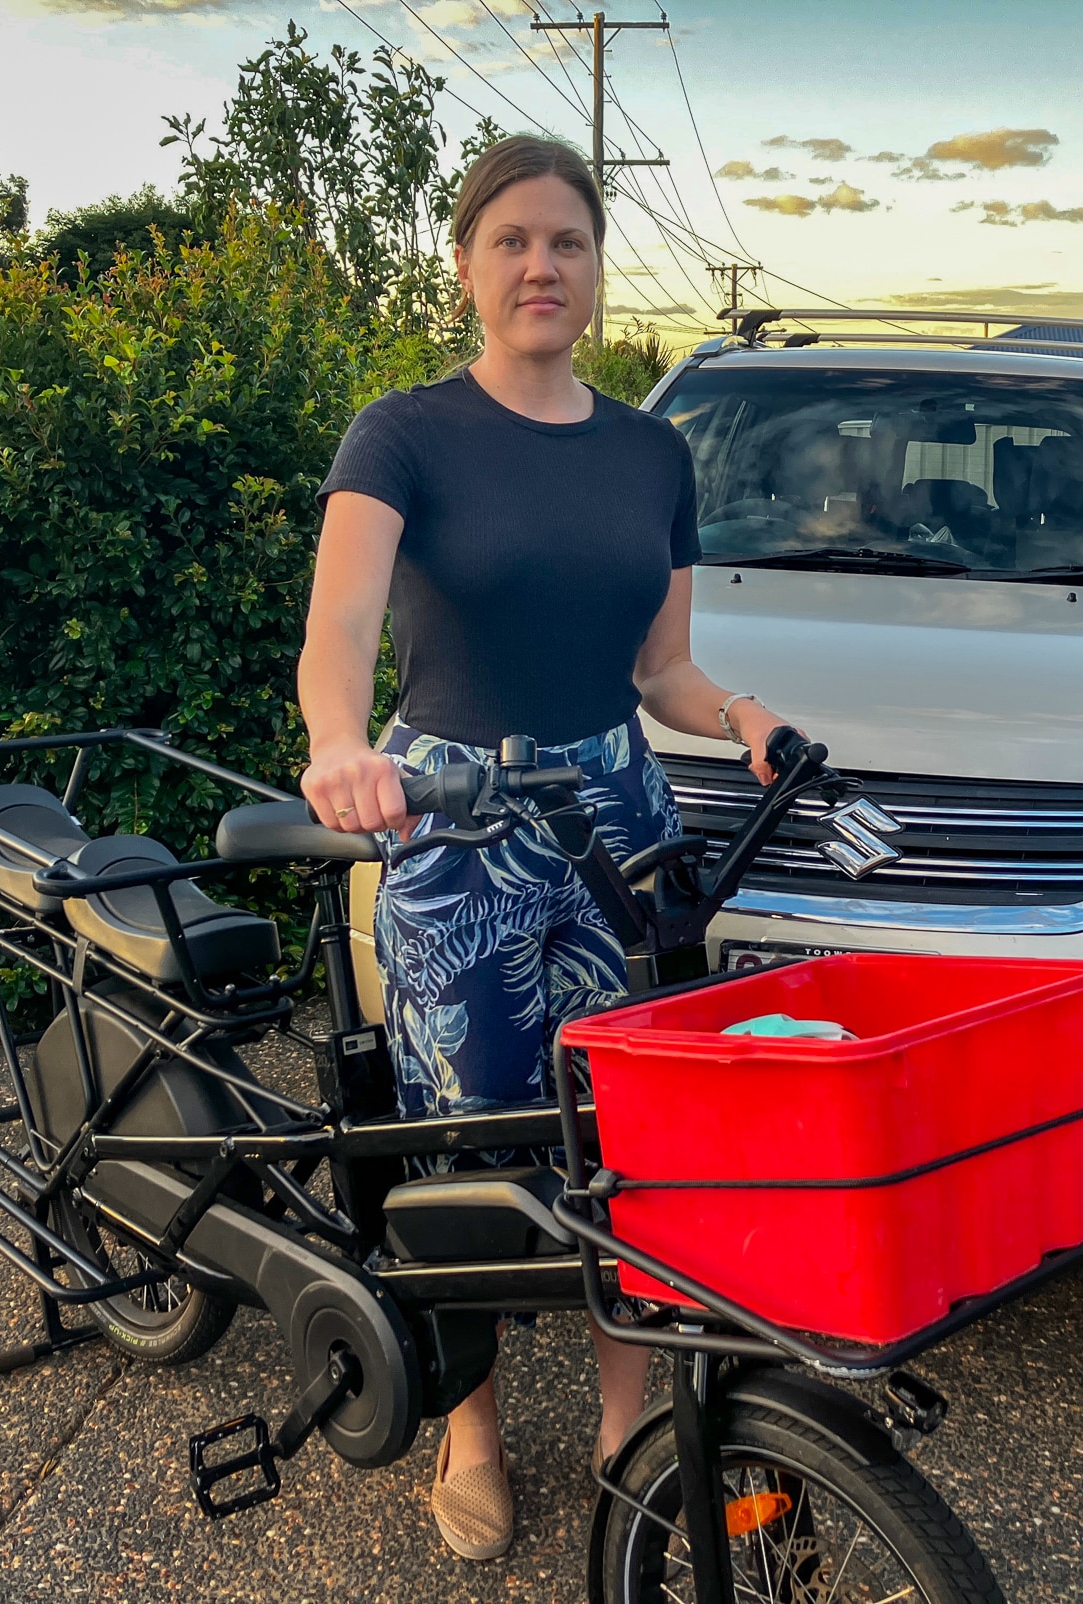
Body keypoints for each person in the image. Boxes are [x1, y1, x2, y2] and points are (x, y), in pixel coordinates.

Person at [297, 134, 797, 1563]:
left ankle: (630, 1425)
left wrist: (742, 714)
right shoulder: (402, 435)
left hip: (614, 826)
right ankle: (467, 1434)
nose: (540, 265)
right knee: (468, 1138)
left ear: (593, 266)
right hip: (451, 823)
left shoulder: (654, 450)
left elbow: (665, 670)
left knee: (629, 1136)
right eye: (510, 239)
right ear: (465, 264)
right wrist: (343, 746)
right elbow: (335, 641)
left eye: (565, 241)